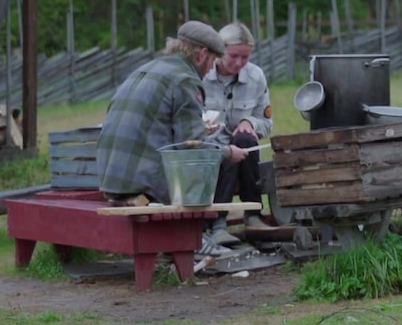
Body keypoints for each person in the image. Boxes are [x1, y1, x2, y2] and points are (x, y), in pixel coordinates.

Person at [96, 20, 248, 256]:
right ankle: (194, 238)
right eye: (212, 61)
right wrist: (229, 152)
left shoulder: (149, 68)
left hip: (112, 180)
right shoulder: (185, 80)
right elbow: (194, 149)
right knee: (201, 165)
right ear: (202, 54)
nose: (210, 69)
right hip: (142, 184)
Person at [202, 21, 276, 245]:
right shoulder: (202, 76)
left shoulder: (256, 77)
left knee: (243, 140)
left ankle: (252, 215)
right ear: (219, 51)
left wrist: (250, 122)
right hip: (208, 150)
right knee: (229, 152)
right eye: (233, 56)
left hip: (242, 150)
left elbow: (267, 122)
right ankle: (217, 224)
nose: (239, 63)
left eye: (245, 57)